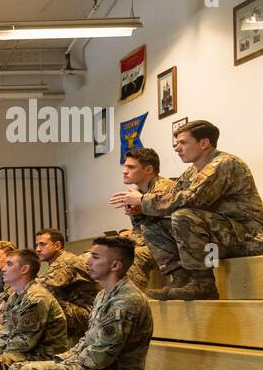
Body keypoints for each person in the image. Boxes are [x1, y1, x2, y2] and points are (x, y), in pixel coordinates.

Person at [7, 235, 154, 370]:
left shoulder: (126, 301)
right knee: (16, 369)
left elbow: (99, 358)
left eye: (95, 257)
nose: (87, 262)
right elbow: (87, 339)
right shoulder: (105, 294)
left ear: (115, 265)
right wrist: (64, 358)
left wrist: (67, 361)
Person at [109, 121, 263, 300]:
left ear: (204, 143)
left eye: (183, 143)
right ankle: (181, 280)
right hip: (219, 236)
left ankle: (203, 284)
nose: (177, 148)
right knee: (153, 223)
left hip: (249, 237)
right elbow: (169, 201)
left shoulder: (224, 163)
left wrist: (143, 200)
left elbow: (189, 199)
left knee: (183, 215)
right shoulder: (191, 172)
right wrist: (140, 211)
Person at [110, 149, 170, 293]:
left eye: (131, 167)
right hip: (151, 241)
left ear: (148, 169)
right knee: (104, 254)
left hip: (170, 243)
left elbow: (170, 226)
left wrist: (142, 207)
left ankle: (133, 304)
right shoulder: (137, 193)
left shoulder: (164, 188)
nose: (124, 171)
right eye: (125, 166)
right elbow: (139, 231)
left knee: (133, 255)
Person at [32, 228, 98, 342]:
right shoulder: (58, 260)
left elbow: (41, 288)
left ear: (57, 245)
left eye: (42, 245)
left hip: (87, 314)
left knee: (41, 302)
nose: (37, 249)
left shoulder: (65, 261)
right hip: (77, 310)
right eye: (37, 245)